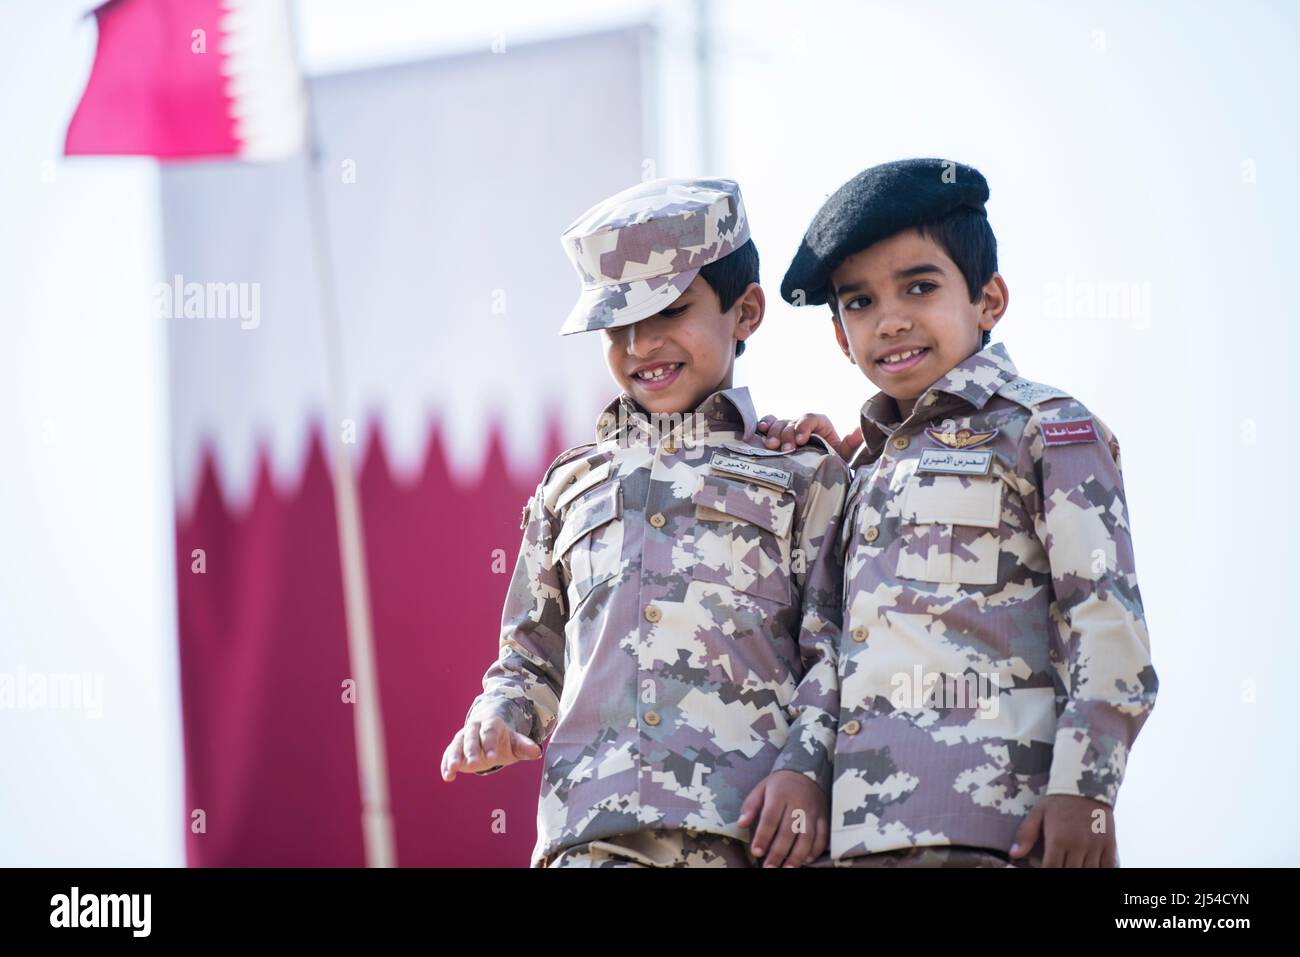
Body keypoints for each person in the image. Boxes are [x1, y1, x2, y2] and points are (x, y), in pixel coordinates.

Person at [441, 177, 850, 868]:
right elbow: (529, 655)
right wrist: (498, 715)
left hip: (747, 837)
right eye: (617, 326)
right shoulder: (567, 487)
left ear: (745, 311)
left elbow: (833, 649)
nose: (641, 345)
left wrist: (806, 767)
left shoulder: (802, 474)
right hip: (587, 838)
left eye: (670, 311)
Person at [761, 158, 1157, 867]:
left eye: (920, 285)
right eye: (858, 303)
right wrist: (799, 767)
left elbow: (1105, 617)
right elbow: (825, 652)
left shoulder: (1044, 429)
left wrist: (1085, 788)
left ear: (989, 299)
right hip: (849, 843)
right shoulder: (855, 473)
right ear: (839, 338)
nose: (891, 320)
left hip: (992, 830)